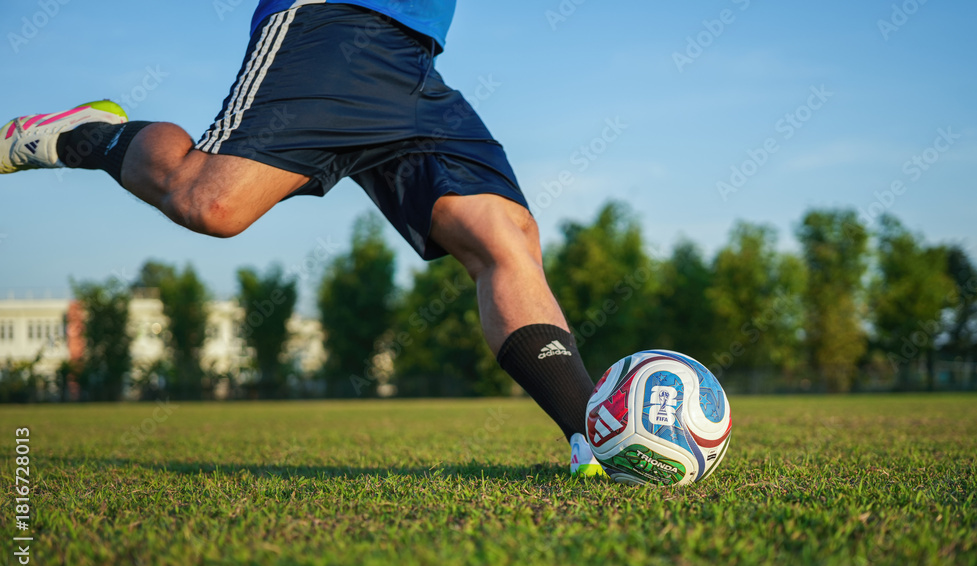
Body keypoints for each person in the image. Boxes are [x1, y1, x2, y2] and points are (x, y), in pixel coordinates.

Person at [1, 1, 607, 477]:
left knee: (505, 238)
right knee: (209, 202)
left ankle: (596, 440)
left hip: (415, 57)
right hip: (330, 24)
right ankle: (89, 134)